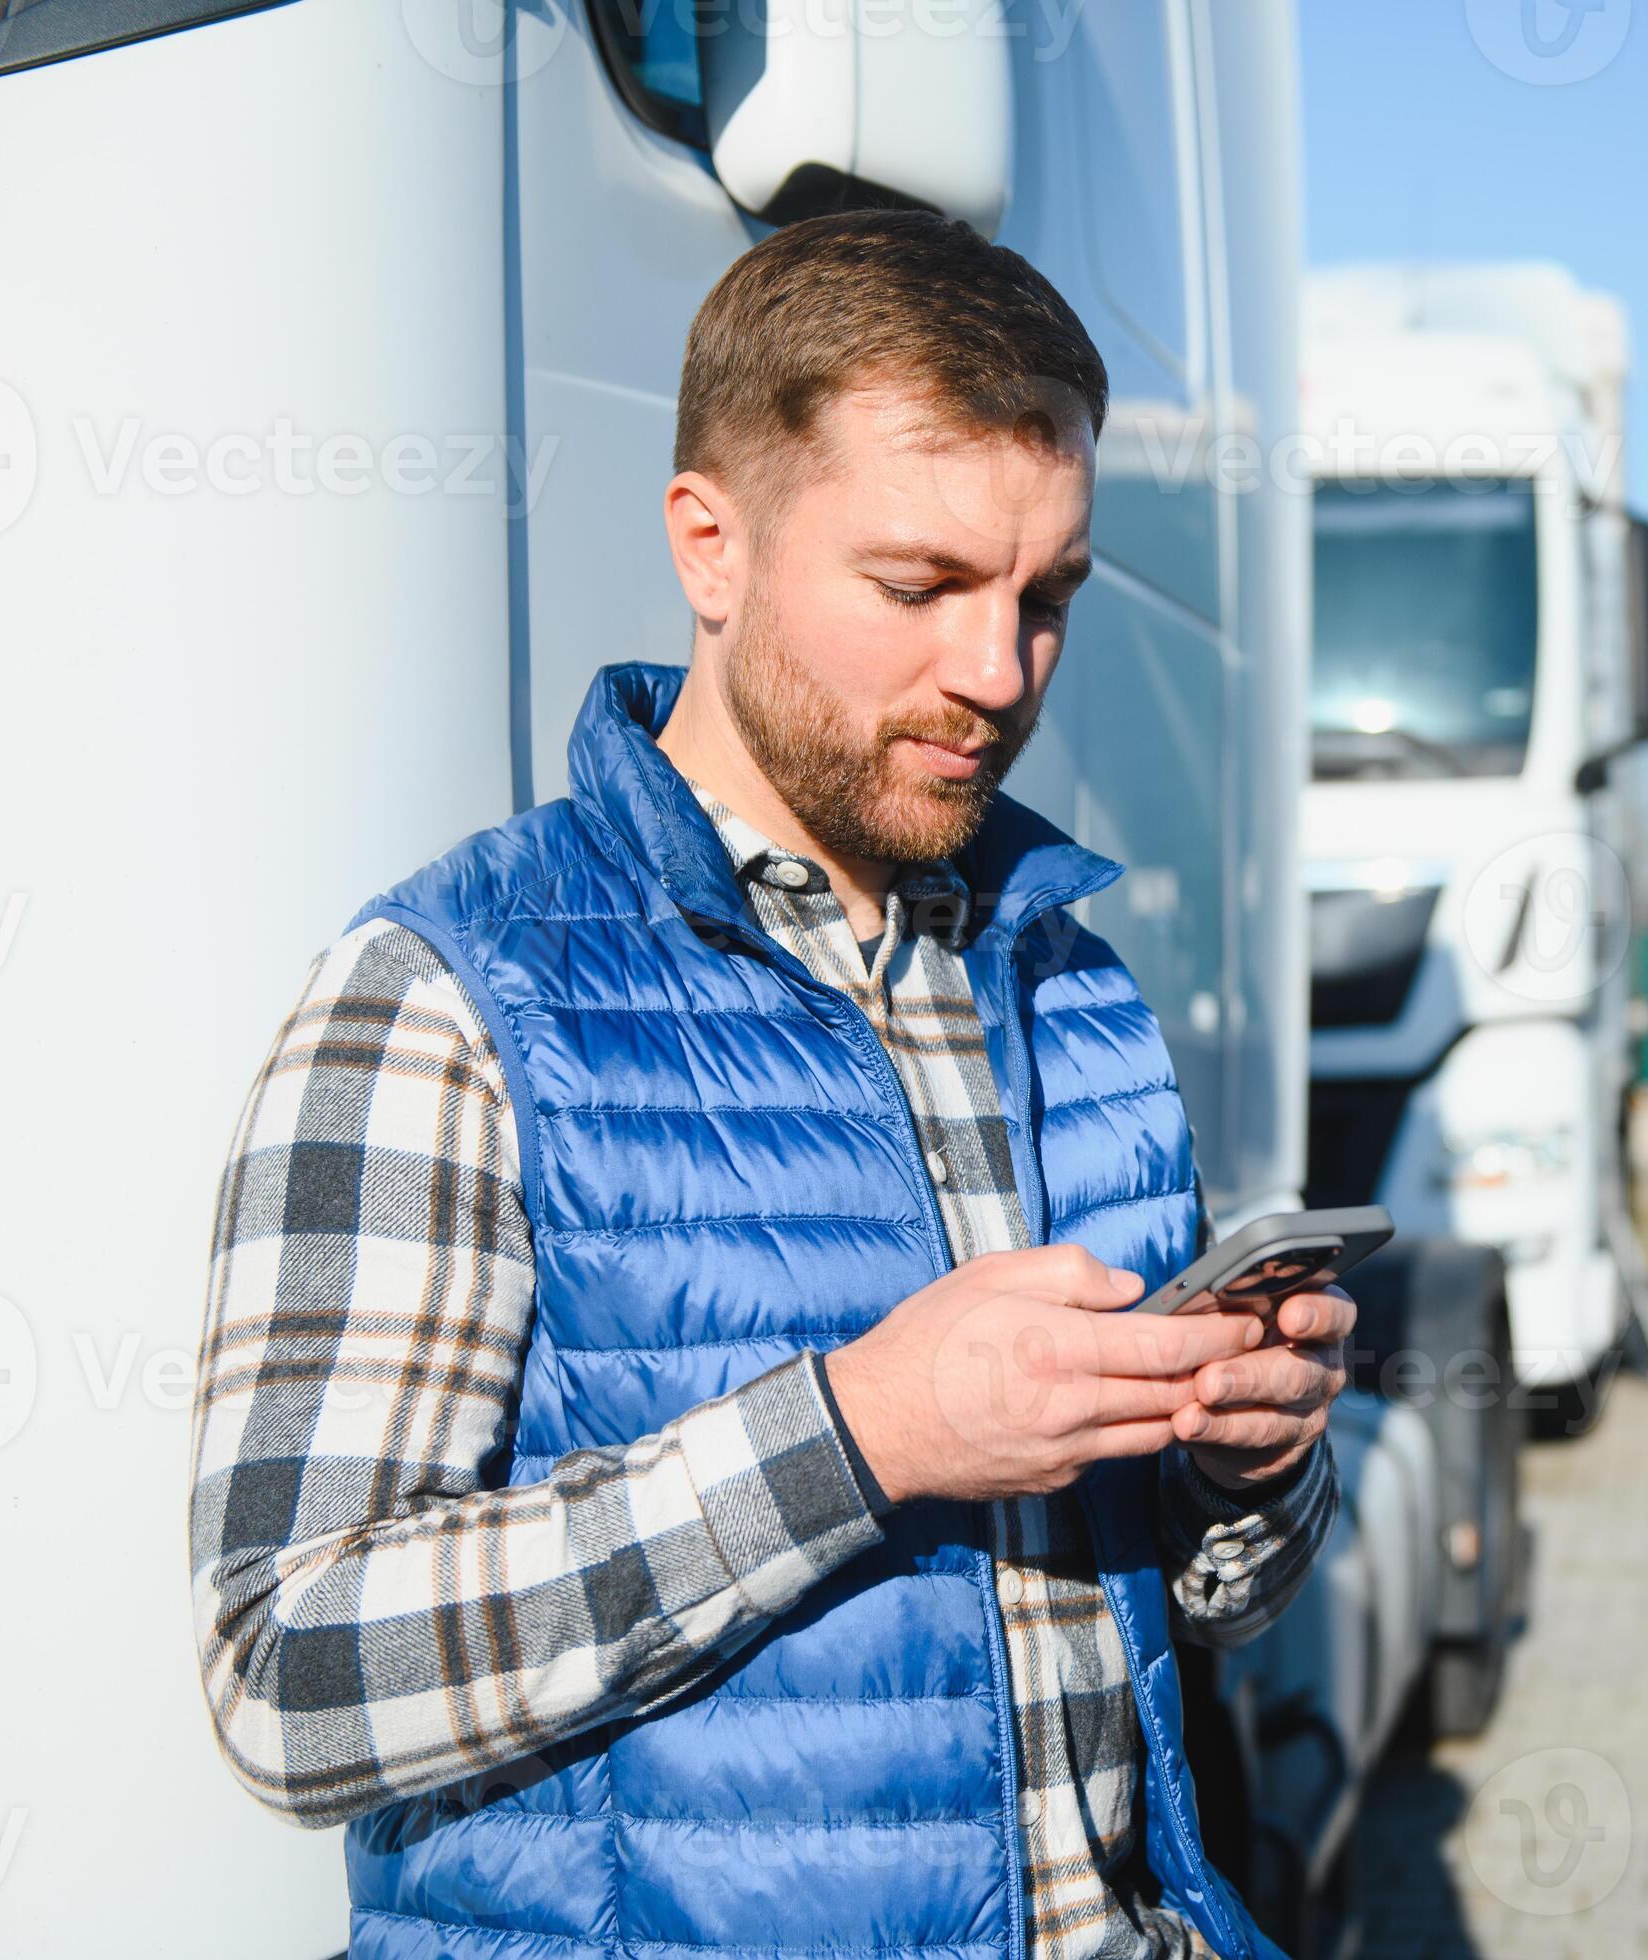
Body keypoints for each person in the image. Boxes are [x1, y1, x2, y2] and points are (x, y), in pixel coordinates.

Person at [185, 209, 1348, 1960]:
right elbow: (290, 1676)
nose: (996, 673)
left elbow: (1200, 1609)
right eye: (919, 588)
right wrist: (864, 1433)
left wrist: (1248, 1469)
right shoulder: (448, 998)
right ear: (709, 546)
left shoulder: (1076, 989)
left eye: (1044, 599)